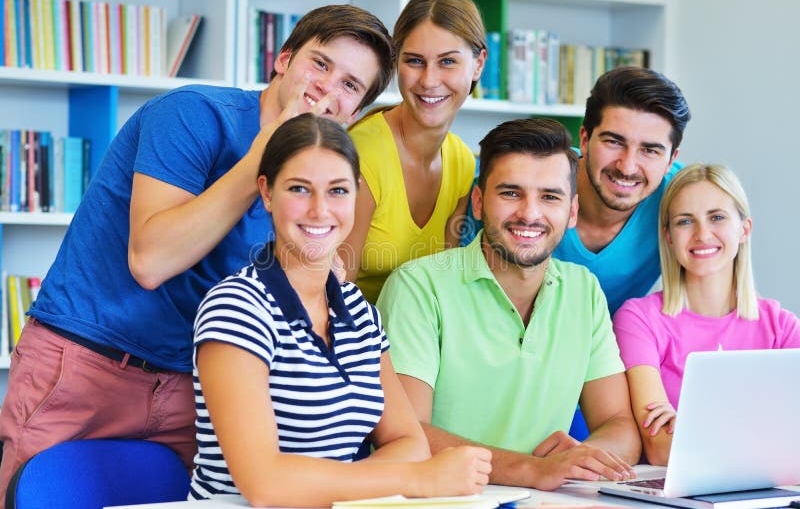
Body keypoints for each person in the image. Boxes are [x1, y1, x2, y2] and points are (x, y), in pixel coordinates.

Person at [0, 4, 394, 499]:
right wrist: (258, 160)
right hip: (88, 365)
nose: (327, 88)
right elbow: (151, 261)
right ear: (283, 59)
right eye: (320, 64)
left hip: (192, 385)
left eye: (350, 85)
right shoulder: (193, 114)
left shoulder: (306, 183)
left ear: (354, 112)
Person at [189, 113, 491, 505]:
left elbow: (408, 442)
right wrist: (417, 480)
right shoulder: (236, 309)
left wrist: (332, 483)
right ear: (266, 193)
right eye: (299, 189)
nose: (319, 210)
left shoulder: (359, 312)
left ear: (356, 194)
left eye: (337, 190)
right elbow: (265, 486)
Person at [377, 118, 641, 491]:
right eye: (511, 193)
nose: (530, 214)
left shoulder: (584, 290)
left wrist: (580, 458)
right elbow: (407, 436)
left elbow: (620, 425)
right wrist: (532, 470)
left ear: (572, 212)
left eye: (550, 197)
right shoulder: (419, 287)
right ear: (479, 203)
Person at [463, 66, 691, 315]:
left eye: (650, 150)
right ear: (584, 138)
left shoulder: (684, 199)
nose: (627, 166)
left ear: (671, 159)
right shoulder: (511, 187)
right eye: (613, 142)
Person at [612, 163, 800, 466]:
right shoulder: (638, 320)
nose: (702, 234)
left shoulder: (782, 328)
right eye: (685, 221)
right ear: (669, 237)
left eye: (717, 217)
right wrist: (762, 433)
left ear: (744, 229)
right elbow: (660, 447)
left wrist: (687, 427)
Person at [343, 0, 486, 303]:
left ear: (478, 65)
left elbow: (442, 285)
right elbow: (335, 294)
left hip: (415, 333)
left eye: (447, 61)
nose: (429, 80)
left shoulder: (462, 161)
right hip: (357, 341)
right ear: (397, 63)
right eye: (415, 61)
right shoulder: (363, 153)